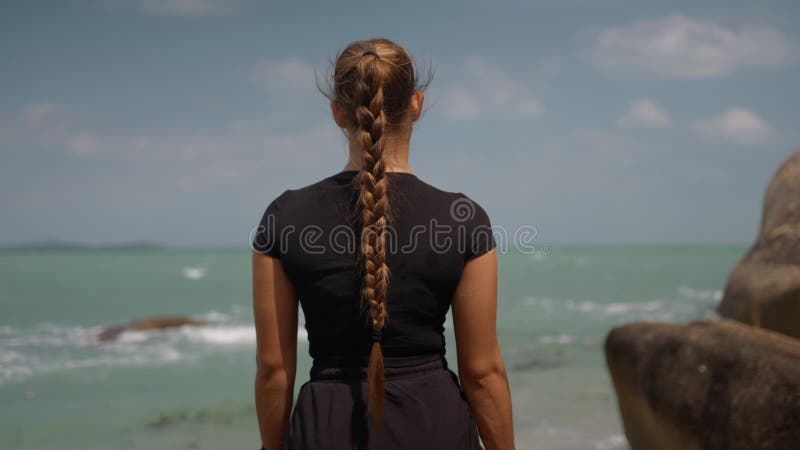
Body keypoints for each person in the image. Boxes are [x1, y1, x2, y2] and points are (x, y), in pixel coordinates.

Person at [251, 37, 515, 450]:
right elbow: (482, 373)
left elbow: (273, 370)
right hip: (435, 424)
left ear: (338, 112)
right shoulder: (464, 218)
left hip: (326, 427)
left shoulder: (284, 216)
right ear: (416, 104)